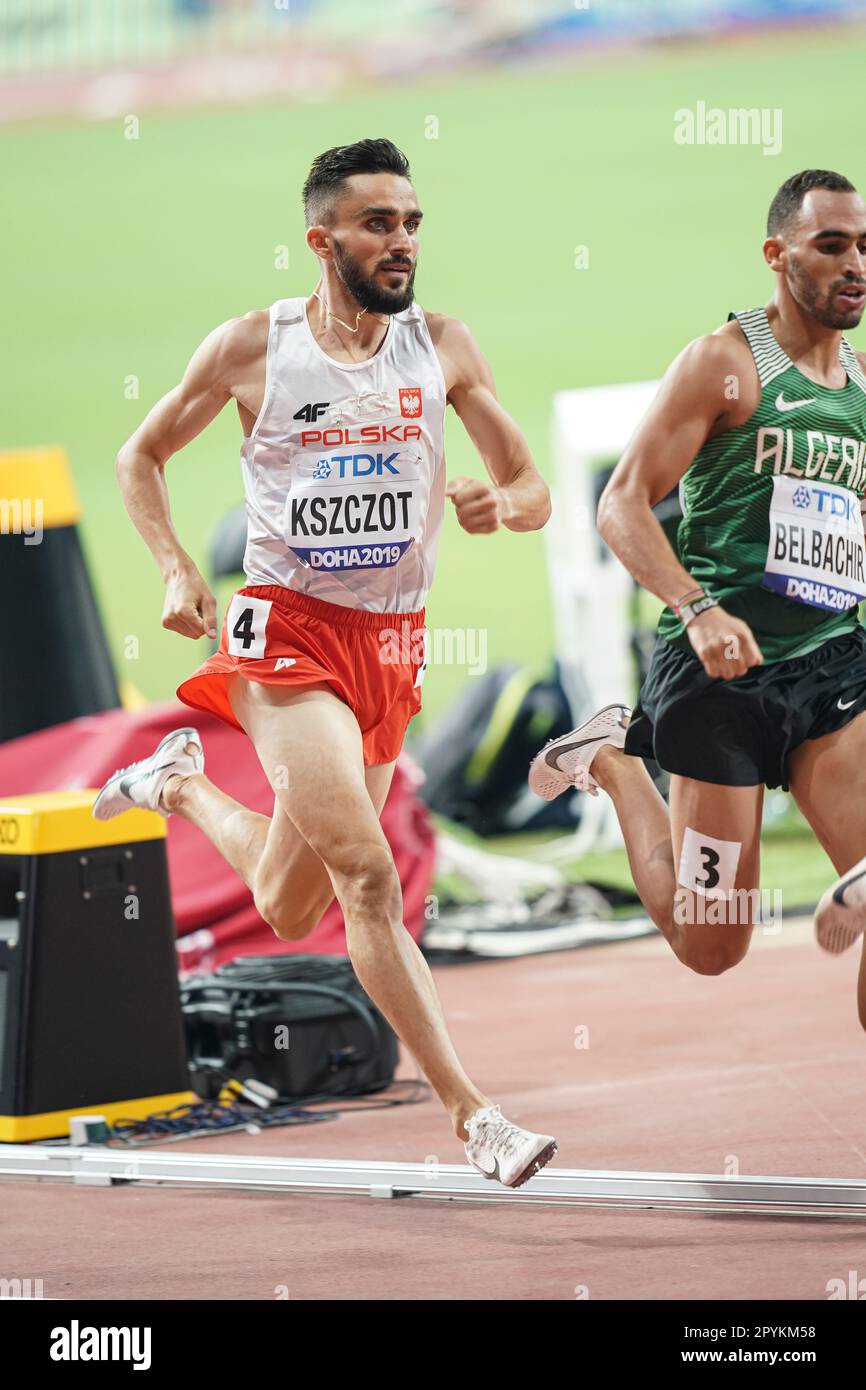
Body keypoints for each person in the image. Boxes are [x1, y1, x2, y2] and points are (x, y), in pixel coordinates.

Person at [93, 138, 556, 1187]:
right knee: (367, 875)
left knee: (291, 902)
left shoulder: (441, 345)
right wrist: (175, 569)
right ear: (321, 237)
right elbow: (139, 455)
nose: (401, 242)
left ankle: (174, 783)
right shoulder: (252, 350)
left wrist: (501, 505)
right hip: (285, 634)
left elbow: (530, 484)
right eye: (377, 223)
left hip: (388, 643)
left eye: (411, 223)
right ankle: (473, 1114)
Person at [530, 169, 866, 1032]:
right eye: (831, 245)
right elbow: (621, 502)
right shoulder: (724, 363)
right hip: (719, 680)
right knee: (711, 943)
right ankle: (613, 758)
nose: (854, 263)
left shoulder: (861, 382)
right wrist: (697, 609)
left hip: (832, 663)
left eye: (864, 246)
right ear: (778, 253)